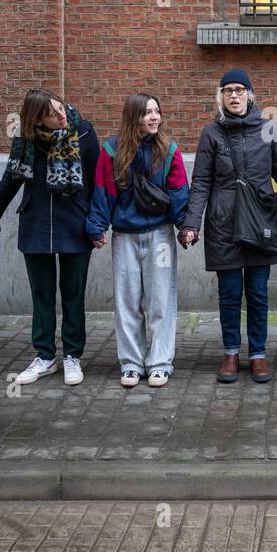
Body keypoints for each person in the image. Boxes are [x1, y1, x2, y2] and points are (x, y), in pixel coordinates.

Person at [181, 69, 277, 384]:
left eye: (240, 90)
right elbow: (200, 182)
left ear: (249, 95)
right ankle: (230, 351)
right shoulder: (211, 133)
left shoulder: (267, 128)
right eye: (228, 90)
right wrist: (191, 223)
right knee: (229, 293)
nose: (234, 95)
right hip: (223, 222)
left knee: (257, 292)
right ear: (221, 97)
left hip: (259, 220)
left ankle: (257, 354)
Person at [0, 90, 100, 386]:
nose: (61, 116)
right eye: (52, 114)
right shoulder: (26, 141)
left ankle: (73, 355)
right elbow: (11, 177)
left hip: (75, 223)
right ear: (37, 119)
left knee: (73, 295)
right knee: (42, 296)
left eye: (61, 108)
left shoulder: (84, 133)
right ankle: (45, 356)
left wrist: (97, 222)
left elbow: (97, 181)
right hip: (36, 223)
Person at [85, 93, 189, 388]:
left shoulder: (169, 150)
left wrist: (186, 226)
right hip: (125, 237)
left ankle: (159, 363)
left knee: (160, 302)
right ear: (134, 118)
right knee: (127, 302)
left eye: (157, 111)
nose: (154, 117)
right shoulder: (111, 150)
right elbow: (102, 191)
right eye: (147, 113)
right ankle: (131, 363)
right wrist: (97, 227)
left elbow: (180, 190)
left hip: (160, 236)